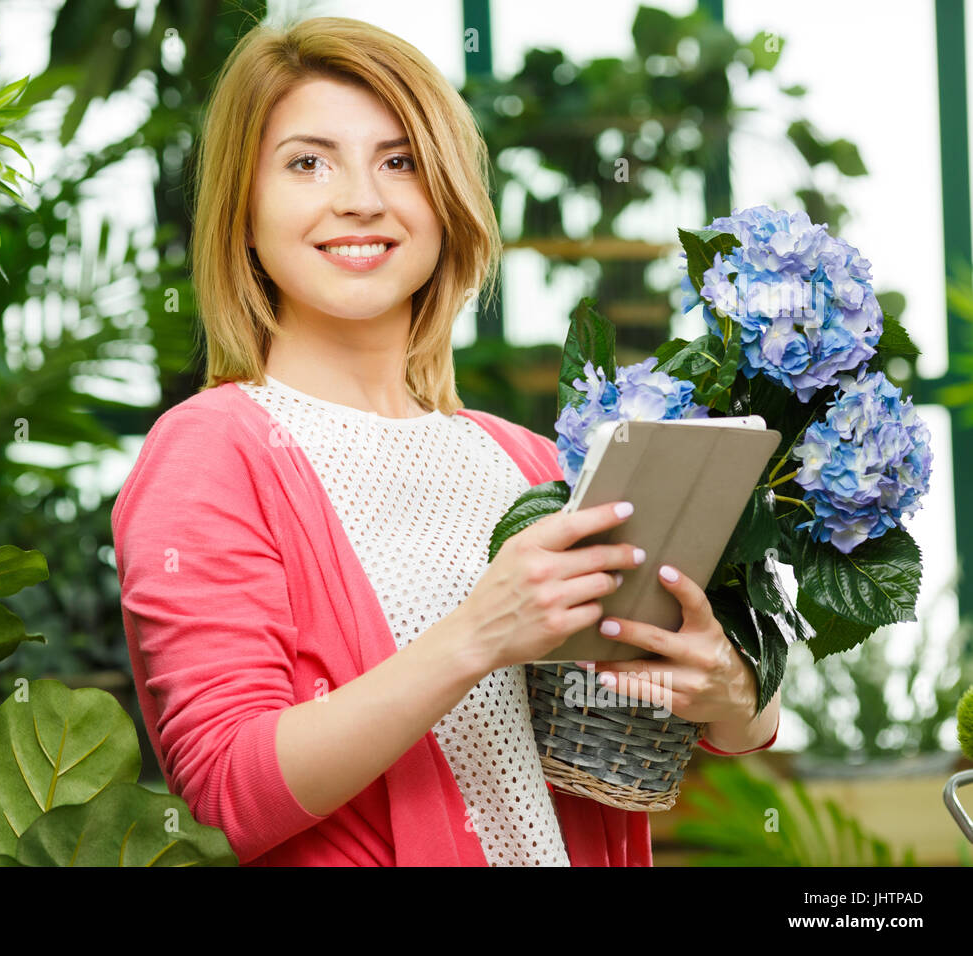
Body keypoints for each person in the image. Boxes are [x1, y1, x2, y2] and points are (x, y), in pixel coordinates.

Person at [111, 15, 780, 867]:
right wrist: (475, 637)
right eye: (307, 162)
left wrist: (731, 691)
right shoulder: (212, 452)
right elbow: (227, 792)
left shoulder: (530, 462)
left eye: (400, 161)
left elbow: (670, 714)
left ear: (446, 201)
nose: (361, 197)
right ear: (243, 212)